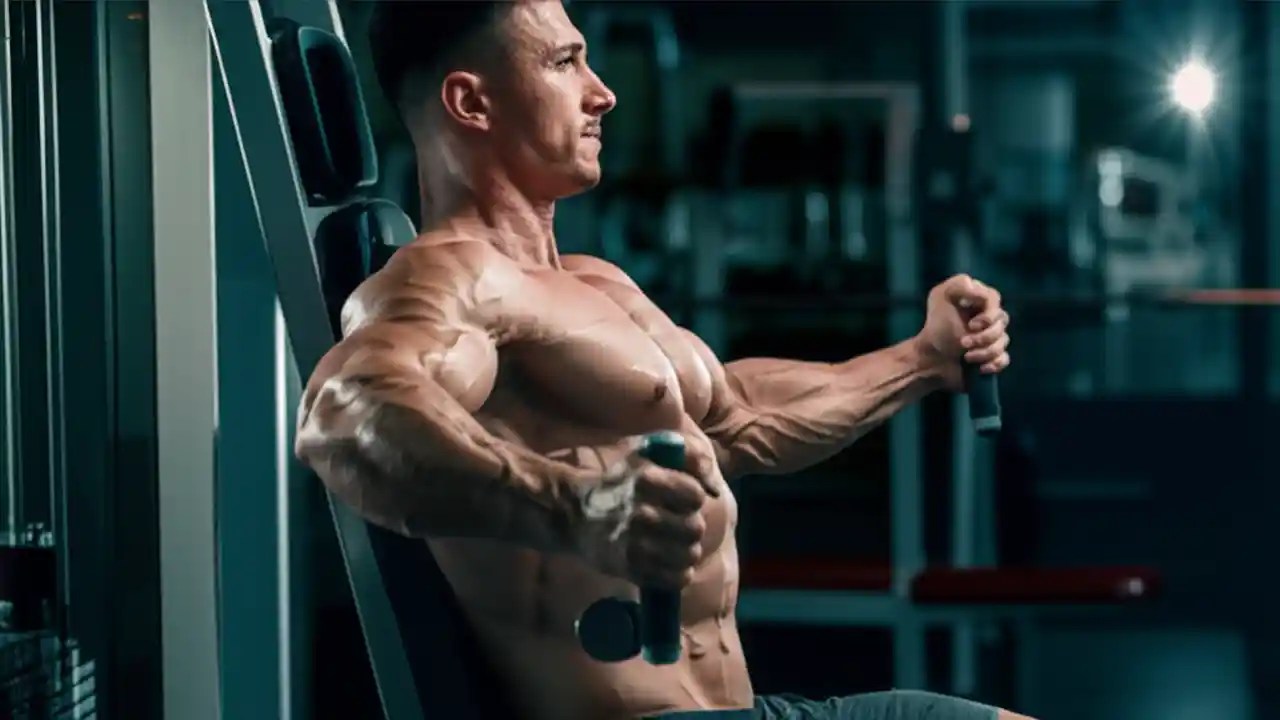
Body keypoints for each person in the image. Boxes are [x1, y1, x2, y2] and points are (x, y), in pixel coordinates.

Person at [295, 2, 1021, 719]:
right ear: (471, 102)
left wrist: (924, 361)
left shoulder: (594, 282)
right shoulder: (453, 279)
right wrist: (578, 506)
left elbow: (740, 418)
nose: (602, 91)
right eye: (563, 61)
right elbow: (343, 414)